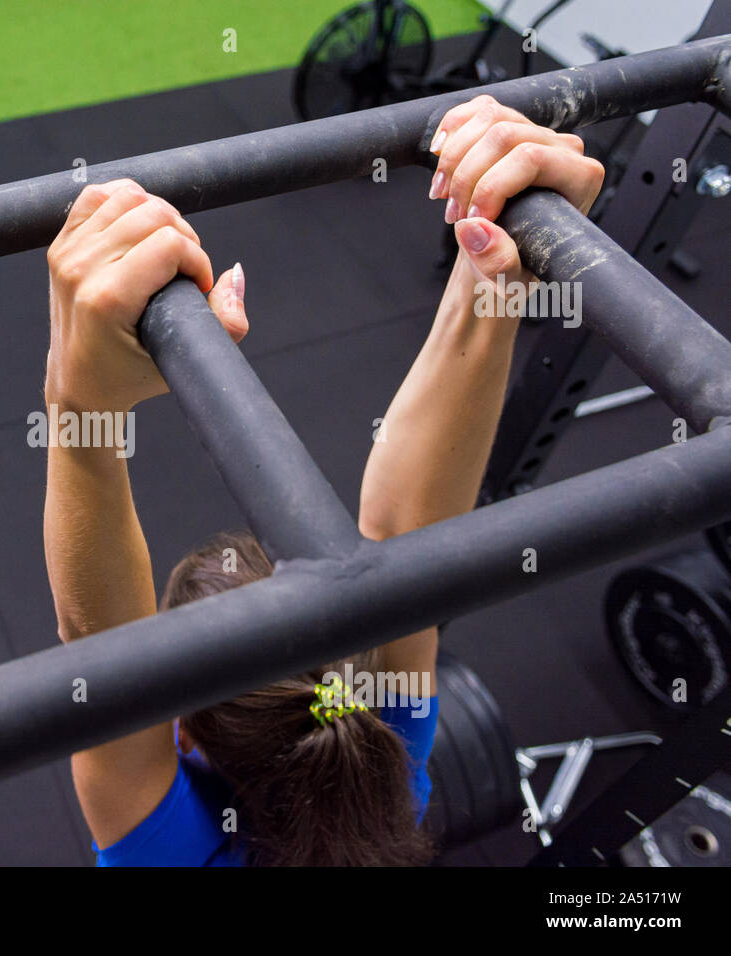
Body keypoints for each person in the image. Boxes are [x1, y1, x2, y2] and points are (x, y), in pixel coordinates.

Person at [41, 94, 604, 866]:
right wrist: (497, 263)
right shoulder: (387, 771)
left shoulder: (390, 764)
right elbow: (404, 529)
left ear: (187, 732)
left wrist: (76, 396)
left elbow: (105, 657)